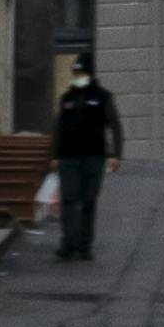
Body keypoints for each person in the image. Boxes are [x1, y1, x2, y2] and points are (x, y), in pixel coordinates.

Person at [48, 55, 123, 264]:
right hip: (68, 156)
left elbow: (115, 126)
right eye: (76, 73)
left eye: (81, 73)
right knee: (69, 199)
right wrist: (53, 156)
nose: (78, 77)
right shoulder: (67, 98)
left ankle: (84, 245)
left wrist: (116, 154)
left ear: (89, 74)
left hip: (94, 156)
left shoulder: (102, 97)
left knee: (88, 200)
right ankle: (68, 244)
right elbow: (58, 129)